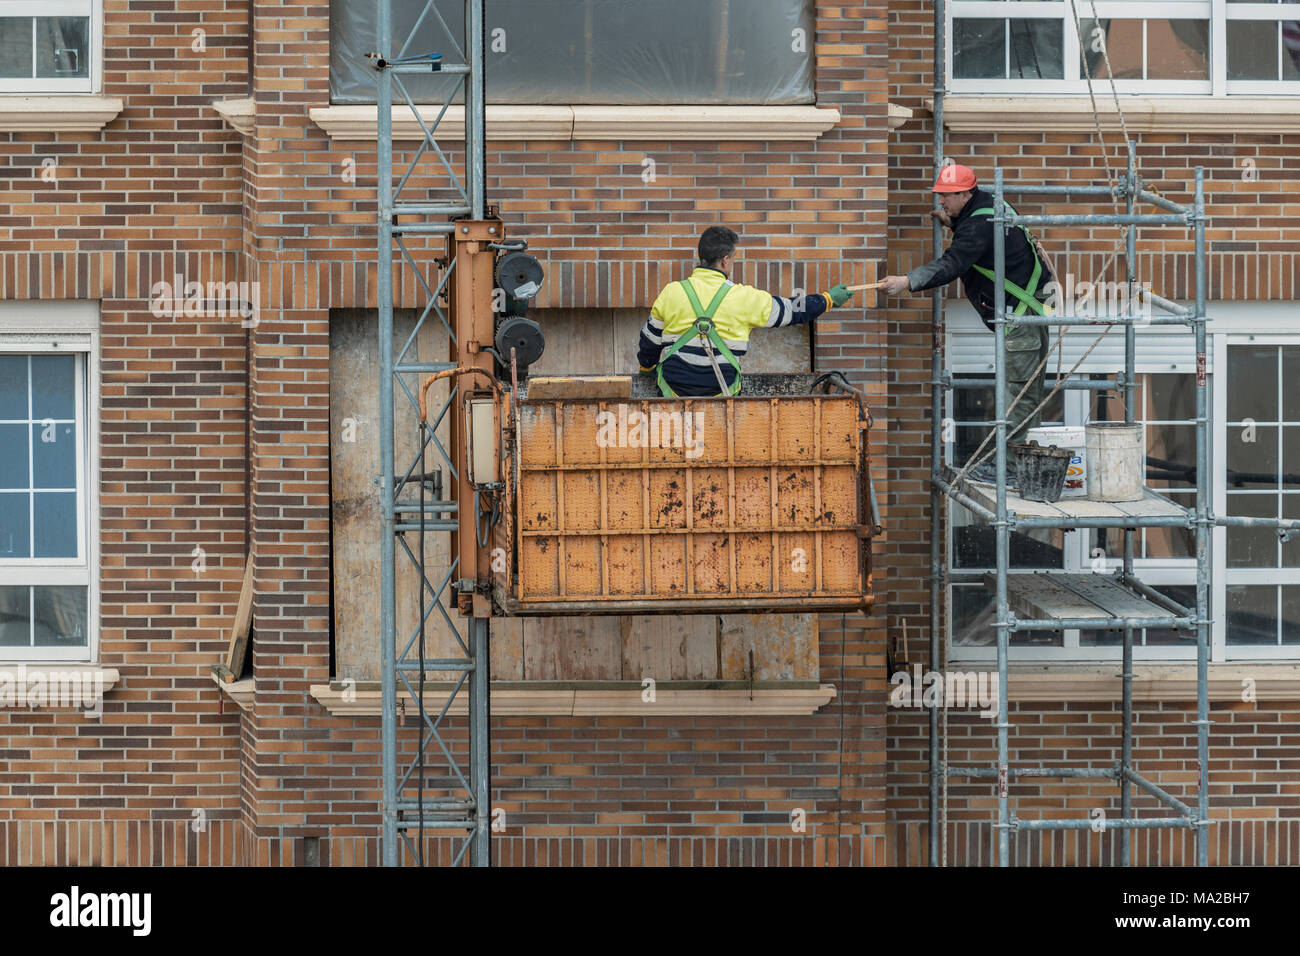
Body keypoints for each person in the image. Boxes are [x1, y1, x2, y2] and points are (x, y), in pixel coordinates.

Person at [879, 164, 1052, 438]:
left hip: (1020, 318)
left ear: (966, 195)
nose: (942, 201)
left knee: (1017, 398)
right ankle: (1013, 464)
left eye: (948, 195)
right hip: (1027, 310)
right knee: (1021, 394)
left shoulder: (977, 226)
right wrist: (954, 223)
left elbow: (952, 264)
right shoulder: (992, 206)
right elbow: (980, 235)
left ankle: (1011, 472)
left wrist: (906, 281)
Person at [638, 226, 855, 397]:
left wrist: (646, 370)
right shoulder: (744, 297)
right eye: (733, 258)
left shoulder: (671, 292)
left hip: (671, 392)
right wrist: (828, 299)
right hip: (722, 394)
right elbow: (792, 310)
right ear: (725, 260)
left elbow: (649, 341)